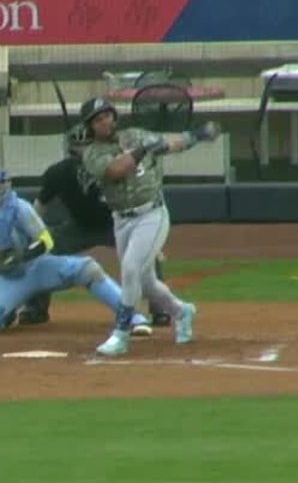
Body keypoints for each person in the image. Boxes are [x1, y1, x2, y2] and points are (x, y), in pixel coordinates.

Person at [77, 97, 212, 356]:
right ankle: (181, 311)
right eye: (97, 119)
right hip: (122, 219)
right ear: (91, 126)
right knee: (146, 283)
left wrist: (196, 135)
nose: (105, 122)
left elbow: (171, 144)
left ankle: (121, 334)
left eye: (107, 115)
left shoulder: (135, 135)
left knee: (130, 268)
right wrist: (143, 150)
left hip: (152, 213)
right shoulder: (92, 153)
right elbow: (116, 170)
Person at [18, 122, 172, 331]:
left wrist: (150, 239)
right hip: (78, 227)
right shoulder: (58, 172)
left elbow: (136, 199)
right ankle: (35, 308)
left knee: (148, 256)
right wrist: (34, 237)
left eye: (86, 145)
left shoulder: (114, 166)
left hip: (115, 223)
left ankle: (160, 308)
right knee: (42, 252)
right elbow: (39, 207)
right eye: (78, 147)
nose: (82, 152)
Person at [0, 168, 133, 348]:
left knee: (89, 270)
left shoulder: (20, 208)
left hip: (37, 267)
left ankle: (132, 317)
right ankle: (5, 313)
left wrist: (21, 255)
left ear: (5, 185)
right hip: (10, 279)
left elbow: (46, 241)